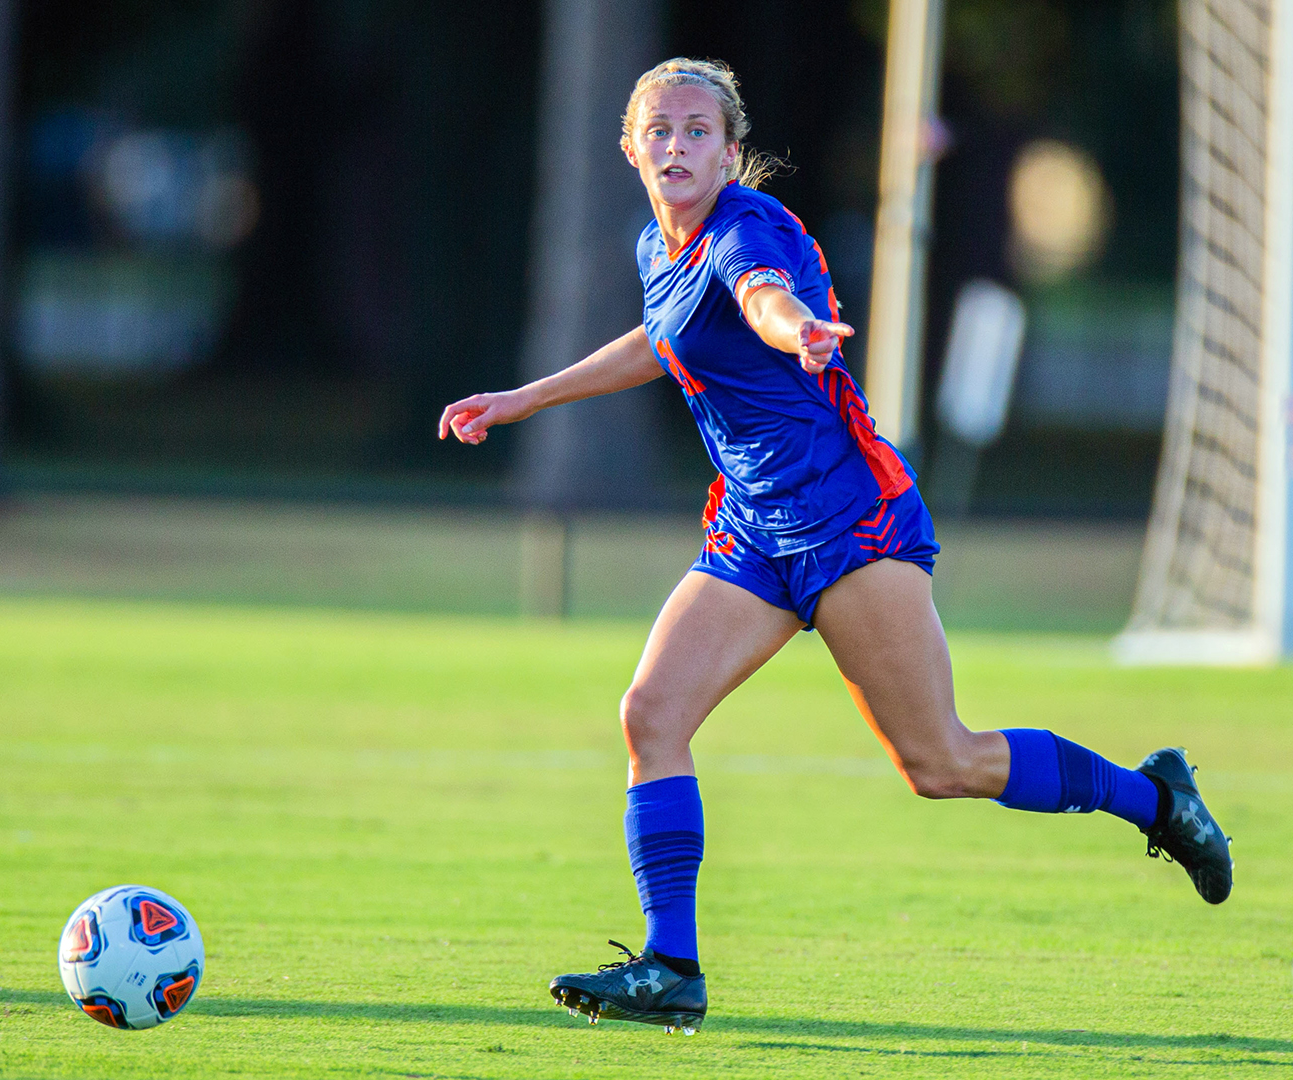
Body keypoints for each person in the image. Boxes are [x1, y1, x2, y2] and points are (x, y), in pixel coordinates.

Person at [438, 57, 1233, 1034]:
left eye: (697, 131)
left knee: (940, 763)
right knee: (651, 713)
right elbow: (660, 339)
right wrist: (524, 398)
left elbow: (761, 294)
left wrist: (799, 330)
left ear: (732, 152)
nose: (678, 146)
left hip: (848, 524)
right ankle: (670, 965)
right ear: (632, 149)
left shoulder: (746, 227)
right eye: (660, 130)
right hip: (754, 531)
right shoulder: (660, 245)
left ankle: (1156, 802)